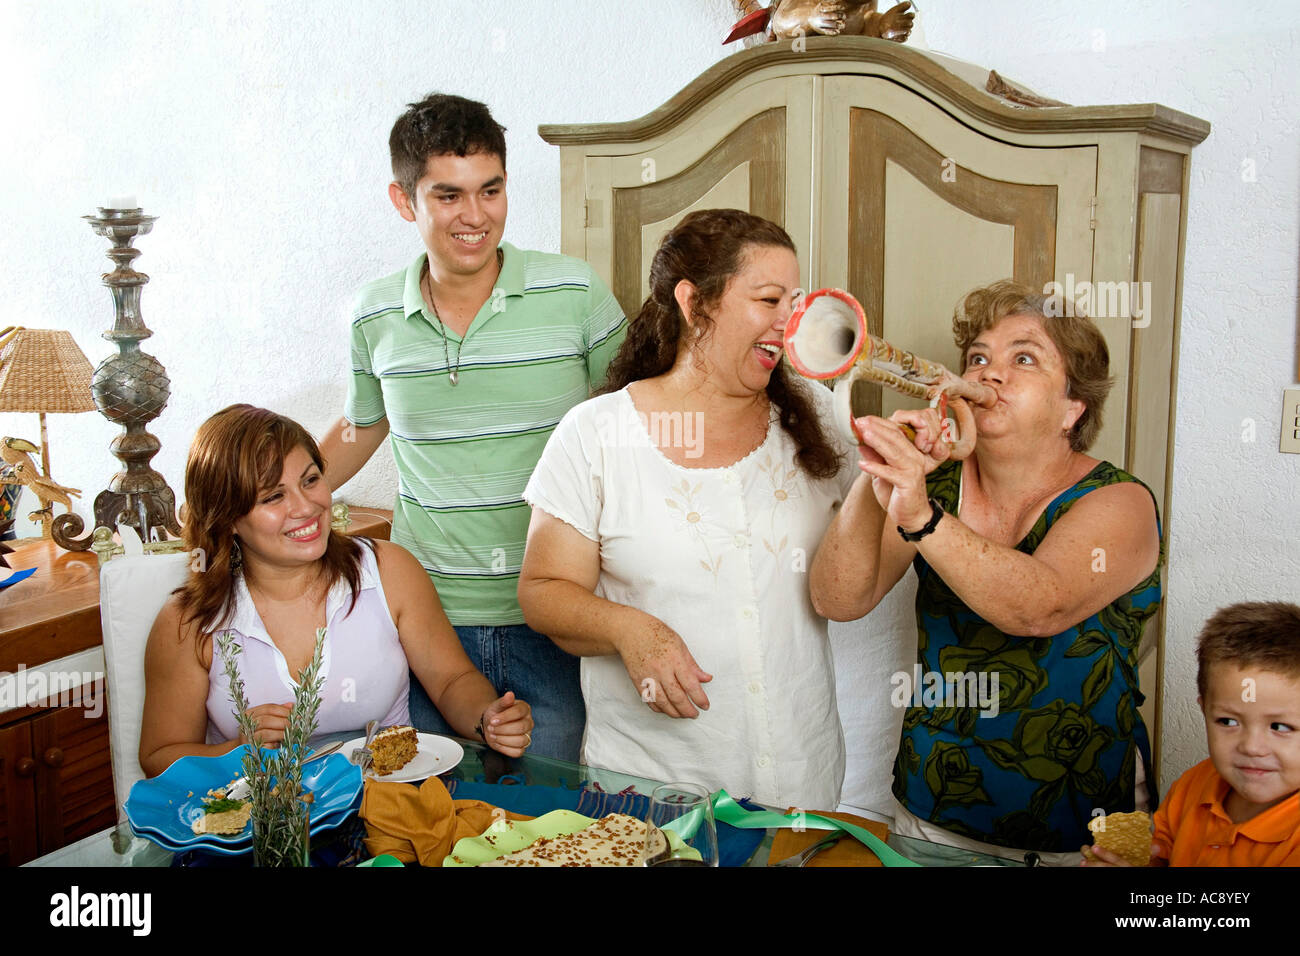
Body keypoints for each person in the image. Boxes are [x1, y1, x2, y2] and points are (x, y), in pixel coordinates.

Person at [317, 94, 626, 763]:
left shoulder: (574, 293)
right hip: (425, 618)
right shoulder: (374, 314)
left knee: (548, 828)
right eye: (449, 196)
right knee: (435, 820)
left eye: (491, 190)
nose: (476, 216)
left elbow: (635, 423)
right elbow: (358, 427)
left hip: (551, 610)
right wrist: (255, 498)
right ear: (405, 201)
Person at [810, 279, 1163, 863]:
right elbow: (838, 598)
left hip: (1082, 831)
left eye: (1024, 358)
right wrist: (877, 479)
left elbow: (1039, 605)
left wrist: (920, 513)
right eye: (979, 358)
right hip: (932, 811)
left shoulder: (1120, 501)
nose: (989, 374)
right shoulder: (938, 483)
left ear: (1074, 406)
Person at [517, 209, 859, 810]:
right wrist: (632, 629)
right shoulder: (596, 434)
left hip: (802, 778)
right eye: (770, 300)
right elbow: (543, 591)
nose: (792, 322)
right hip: (653, 789)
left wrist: (905, 485)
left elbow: (859, 576)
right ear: (693, 302)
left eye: (796, 301)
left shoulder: (819, 414)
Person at [138, 405, 532, 778]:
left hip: (392, 808)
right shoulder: (188, 622)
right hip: (268, 828)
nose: (306, 506)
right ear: (227, 520)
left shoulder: (389, 569)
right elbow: (159, 756)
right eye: (273, 496)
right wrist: (238, 751)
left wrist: (488, 719)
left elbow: (452, 680)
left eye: (310, 480)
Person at [1083, 601, 1300, 867]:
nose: (1252, 747)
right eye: (1228, 721)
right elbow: (1162, 857)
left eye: (1279, 727)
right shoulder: (1193, 786)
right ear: (1205, 710)